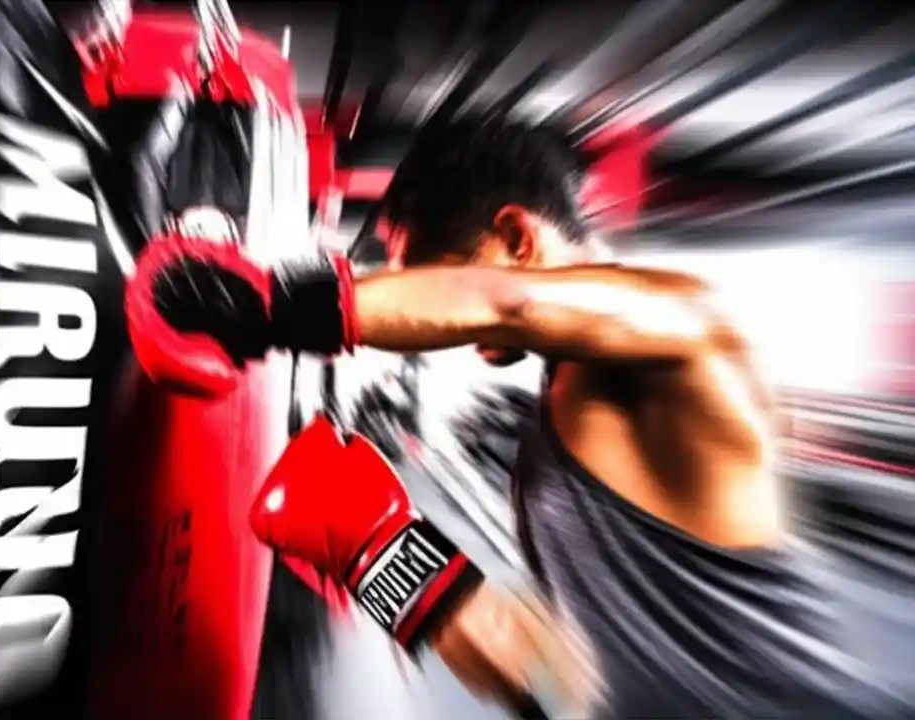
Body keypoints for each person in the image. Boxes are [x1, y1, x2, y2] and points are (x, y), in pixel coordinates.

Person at [125, 113, 864, 718]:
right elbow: (553, 682)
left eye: (429, 278)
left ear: (515, 238)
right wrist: (380, 555)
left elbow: (506, 303)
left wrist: (269, 306)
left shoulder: (688, 327)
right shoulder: (545, 457)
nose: (435, 325)